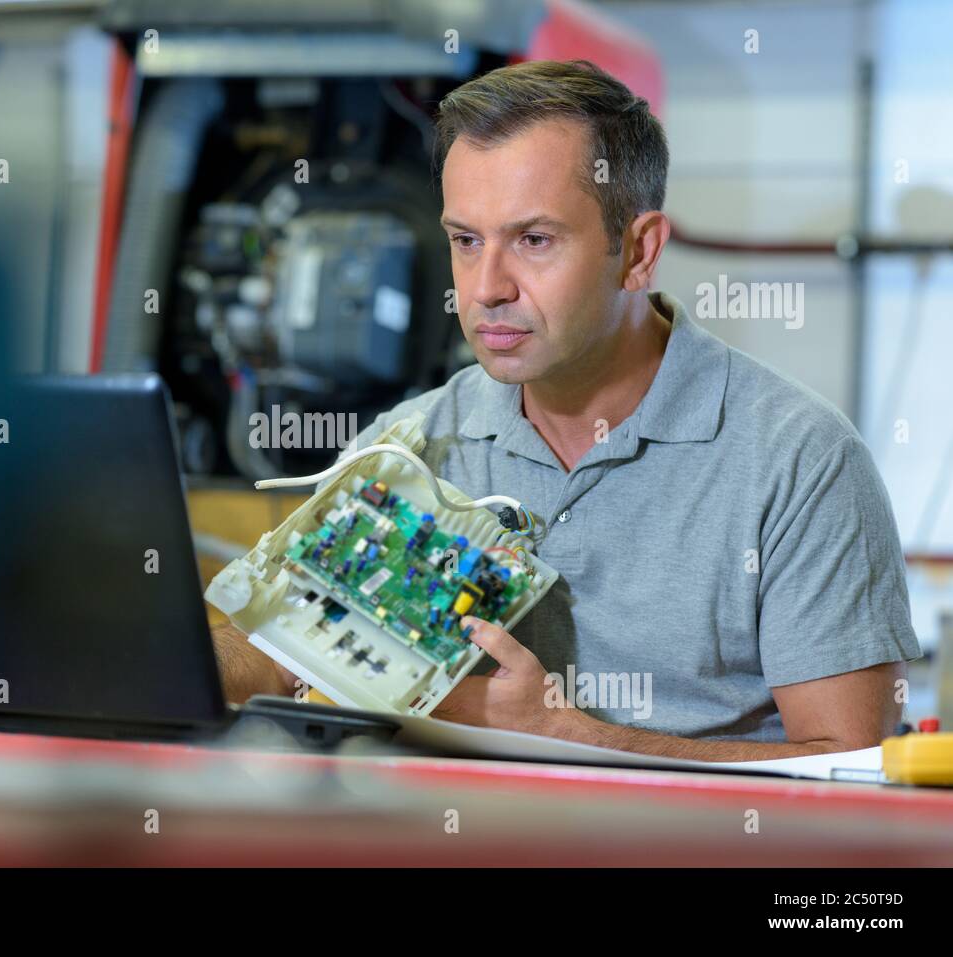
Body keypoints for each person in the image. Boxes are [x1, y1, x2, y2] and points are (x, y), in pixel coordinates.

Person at [212, 59, 920, 760]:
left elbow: (850, 767)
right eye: (466, 240)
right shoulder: (409, 447)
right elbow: (276, 655)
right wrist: (148, 638)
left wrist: (562, 733)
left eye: (534, 240)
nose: (486, 287)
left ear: (638, 252)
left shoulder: (801, 462)